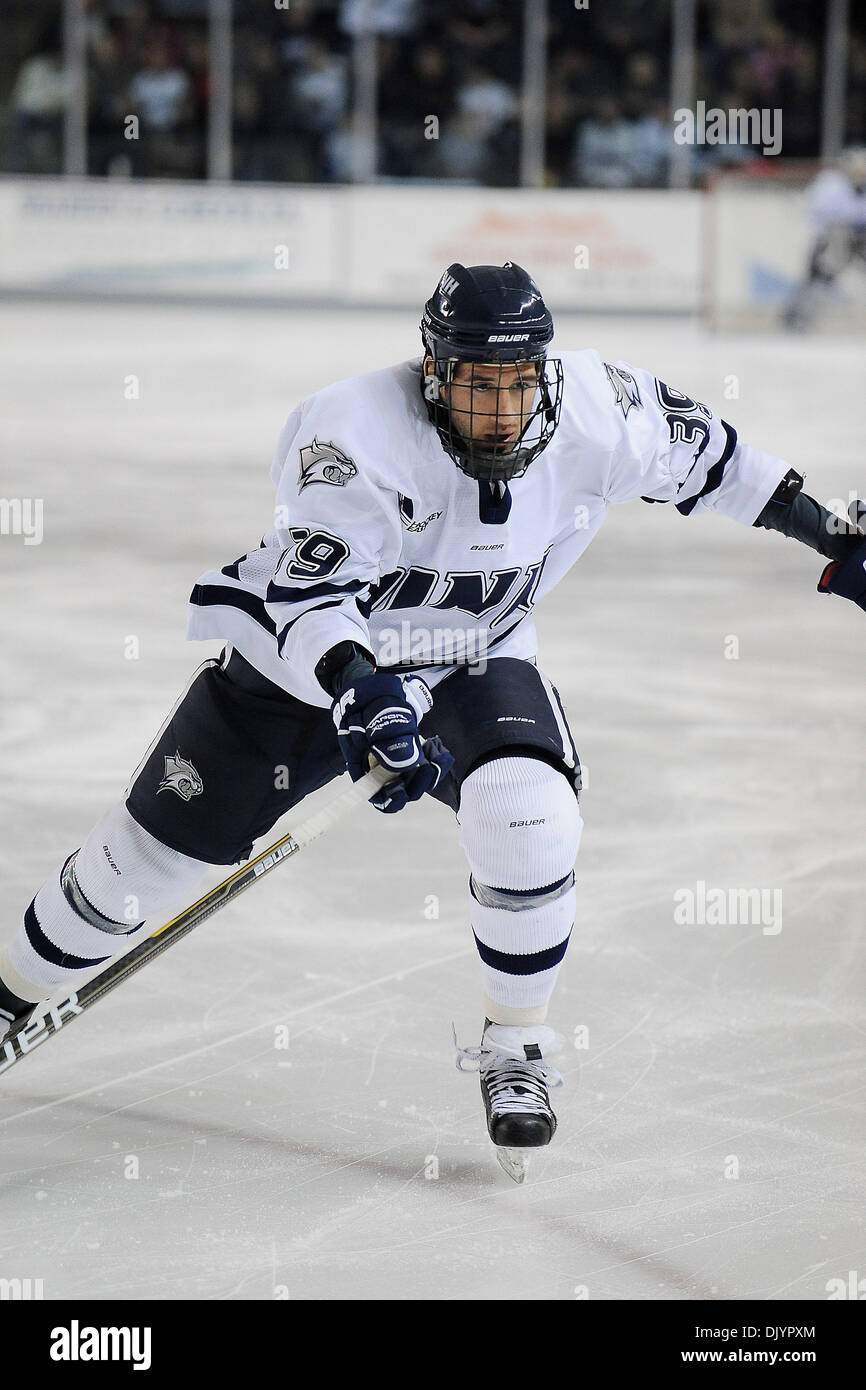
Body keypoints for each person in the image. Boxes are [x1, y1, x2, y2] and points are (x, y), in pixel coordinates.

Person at [2, 263, 865, 1178]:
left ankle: (517, 1050)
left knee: (530, 816)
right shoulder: (355, 433)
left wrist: (832, 537)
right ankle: (11, 997)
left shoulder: (603, 411)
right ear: (433, 374)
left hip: (474, 656)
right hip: (303, 674)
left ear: (545, 376)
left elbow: (720, 461)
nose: (500, 410)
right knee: (132, 876)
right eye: (477, 385)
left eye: (518, 385)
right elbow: (310, 598)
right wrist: (363, 692)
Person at [784, 146, 866, 330]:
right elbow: (821, 214)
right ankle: (797, 320)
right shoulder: (830, 182)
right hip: (832, 237)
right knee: (819, 279)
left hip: (860, 237)